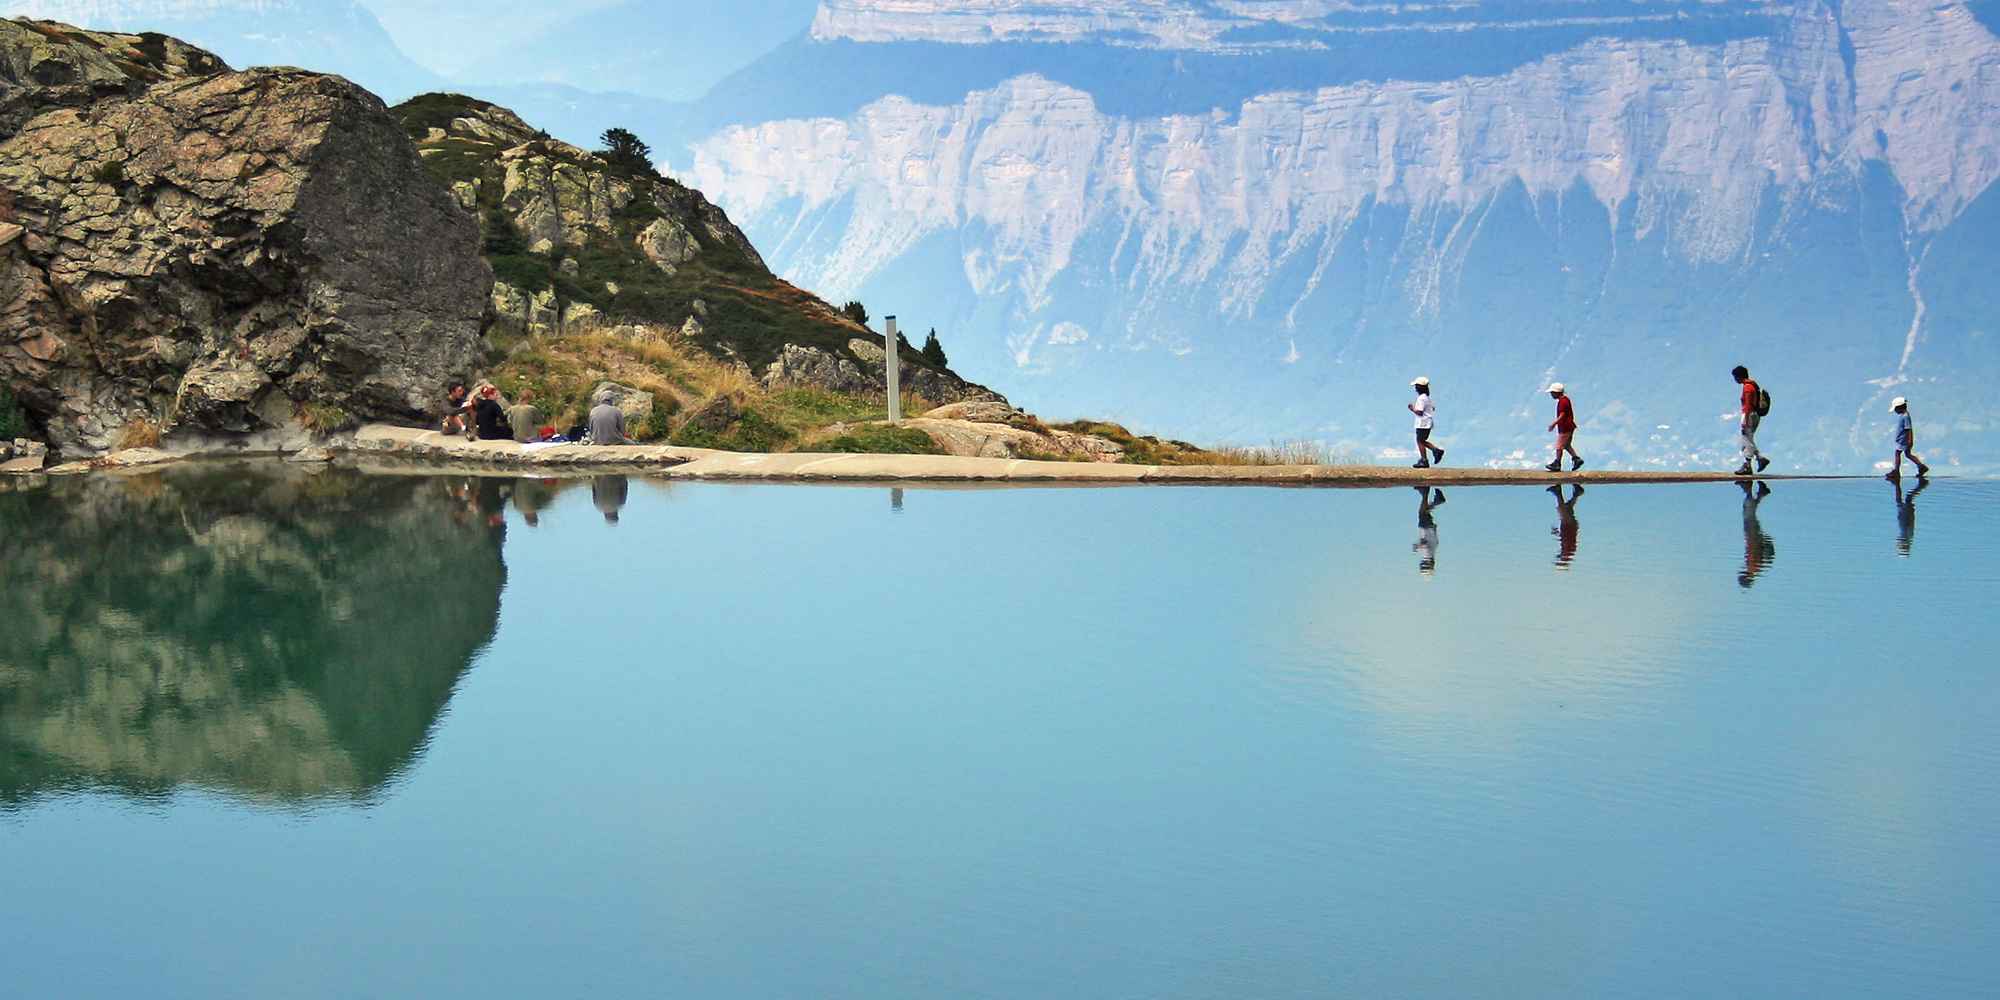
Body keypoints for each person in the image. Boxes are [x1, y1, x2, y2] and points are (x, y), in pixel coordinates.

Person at [1732, 366, 1770, 476]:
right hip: (1754, 414)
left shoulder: (1747, 387)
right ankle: (1760, 458)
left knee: (1745, 438)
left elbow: (1748, 403)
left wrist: (1746, 419)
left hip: (1749, 414)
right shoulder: (1753, 385)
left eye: (1736, 377)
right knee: (1748, 438)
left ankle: (1748, 464)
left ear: (1740, 376)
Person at [1738, 480, 1775, 589]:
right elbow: (1752, 550)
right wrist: (1749, 536)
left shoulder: (1755, 568)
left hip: (1755, 539)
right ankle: (1749, 490)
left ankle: (1760, 493)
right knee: (1748, 514)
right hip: (1754, 538)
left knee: (1750, 515)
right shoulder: (1753, 566)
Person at [1887, 397, 1930, 479]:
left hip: (1903, 440)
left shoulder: (1905, 417)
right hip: (1903, 439)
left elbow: (1909, 428)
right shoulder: (1904, 416)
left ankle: (1897, 471)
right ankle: (1921, 467)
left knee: (1898, 453)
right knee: (1908, 454)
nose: (1895, 411)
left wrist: (1910, 439)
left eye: (1896, 409)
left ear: (1900, 407)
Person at [1408, 377, 1445, 468]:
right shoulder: (1428, 397)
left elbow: (1420, 412)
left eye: (1417, 386)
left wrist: (1412, 409)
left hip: (1422, 423)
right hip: (1428, 422)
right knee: (1422, 440)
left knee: (1420, 441)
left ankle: (1424, 460)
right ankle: (1435, 451)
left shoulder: (1421, 399)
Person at [1545, 383, 1582, 472]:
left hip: (1565, 427)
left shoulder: (1562, 402)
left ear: (1556, 393)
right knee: (1566, 445)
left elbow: (1562, 415)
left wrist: (1554, 424)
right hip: (1569, 426)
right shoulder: (1566, 400)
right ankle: (1576, 459)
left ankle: (1557, 463)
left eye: (1552, 393)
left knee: (1559, 446)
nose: (1551, 395)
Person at [1549, 484, 1583, 569]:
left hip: (1570, 528)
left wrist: (1557, 534)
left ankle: (1577, 493)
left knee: (1568, 508)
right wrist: (1558, 534)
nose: (1557, 557)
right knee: (1562, 508)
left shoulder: (1569, 552)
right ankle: (1558, 492)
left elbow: (1566, 540)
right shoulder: (1567, 552)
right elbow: (1566, 539)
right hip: (1568, 527)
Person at [1413, 486, 1445, 576]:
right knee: (1422, 512)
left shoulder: (1432, 554)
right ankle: (1425, 493)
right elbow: (1425, 544)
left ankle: (1437, 501)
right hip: (1426, 529)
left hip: (1430, 529)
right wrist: (1417, 546)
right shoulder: (1427, 555)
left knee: (1424, 512)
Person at [1894, 477, 1927, 557]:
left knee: (1902, 500)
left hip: (1904, 515)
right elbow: (1909, 523)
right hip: (1905, 515)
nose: (1899, 544)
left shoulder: (1907, 535)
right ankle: (1922, 485)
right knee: (1907, 498)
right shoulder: (1908, 535)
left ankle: (1897, 484)